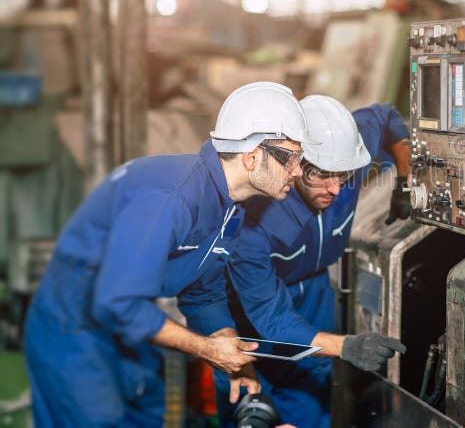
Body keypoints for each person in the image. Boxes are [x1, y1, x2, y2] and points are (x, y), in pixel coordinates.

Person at [23, 82, 311, 426]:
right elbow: (118, 303)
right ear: (251, 156)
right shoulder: (172, 198)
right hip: (75, 331)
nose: (298, 171)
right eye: (291, 157)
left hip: (131, 334)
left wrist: (232, 354)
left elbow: (203, 293)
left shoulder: (230, 206)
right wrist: (205, 349)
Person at [203, 95, 412, 428]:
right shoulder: (251, 221)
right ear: (294, 164)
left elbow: (385, 116)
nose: (334, 188)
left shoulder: (345, 153)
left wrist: (406, 178)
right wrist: (346, 346)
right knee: (251, 415)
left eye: (342, 176)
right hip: (250, 317)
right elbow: (272, 319)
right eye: (321, 175)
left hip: (313, 296)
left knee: (309, 407)